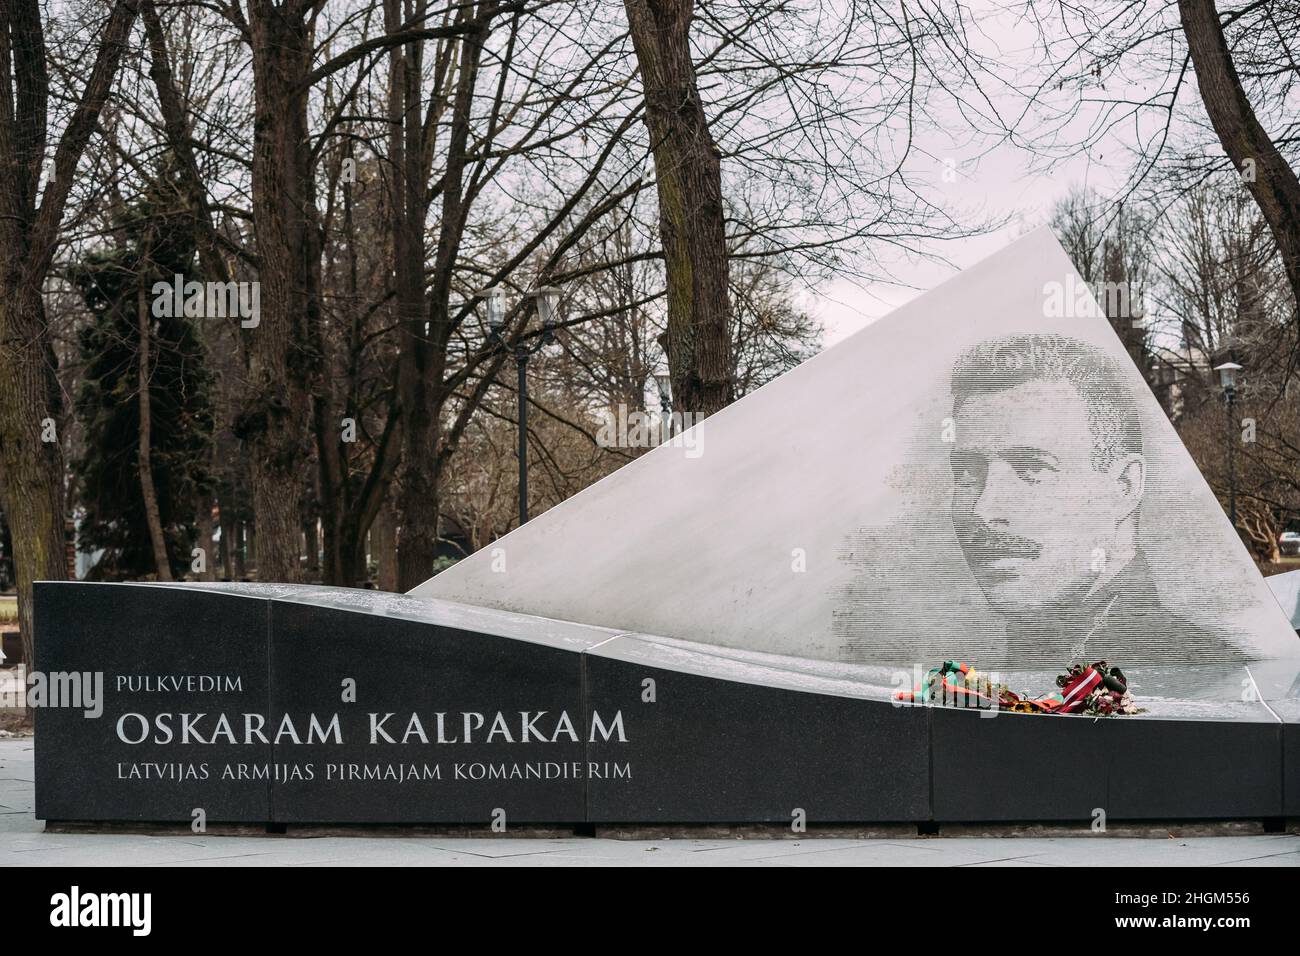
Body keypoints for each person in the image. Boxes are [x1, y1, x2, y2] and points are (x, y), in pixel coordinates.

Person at [947, 333, 1238, 663]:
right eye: (969, 473)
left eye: (1032, 468)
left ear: (1125, 486)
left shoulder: (1203, 672)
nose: (984, 510)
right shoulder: (1027, 653)